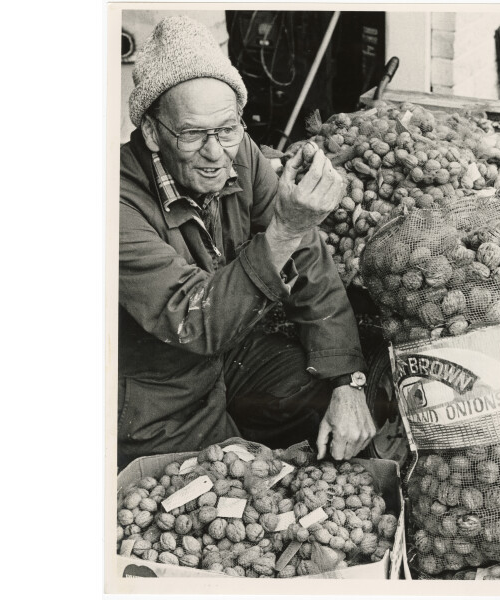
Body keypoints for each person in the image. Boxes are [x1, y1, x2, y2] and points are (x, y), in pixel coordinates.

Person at [117, 16, 375, 469]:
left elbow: (308, 261)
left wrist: (347, 381)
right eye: (192, 134)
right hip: (158, 389)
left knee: (334, 404)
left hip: (233, 355)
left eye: (227, 129)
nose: (215, 152)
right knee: (221, 488)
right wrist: (286, 229)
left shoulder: (241, 153)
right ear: (154, 133)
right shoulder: (112, 203)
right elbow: (193, 318)